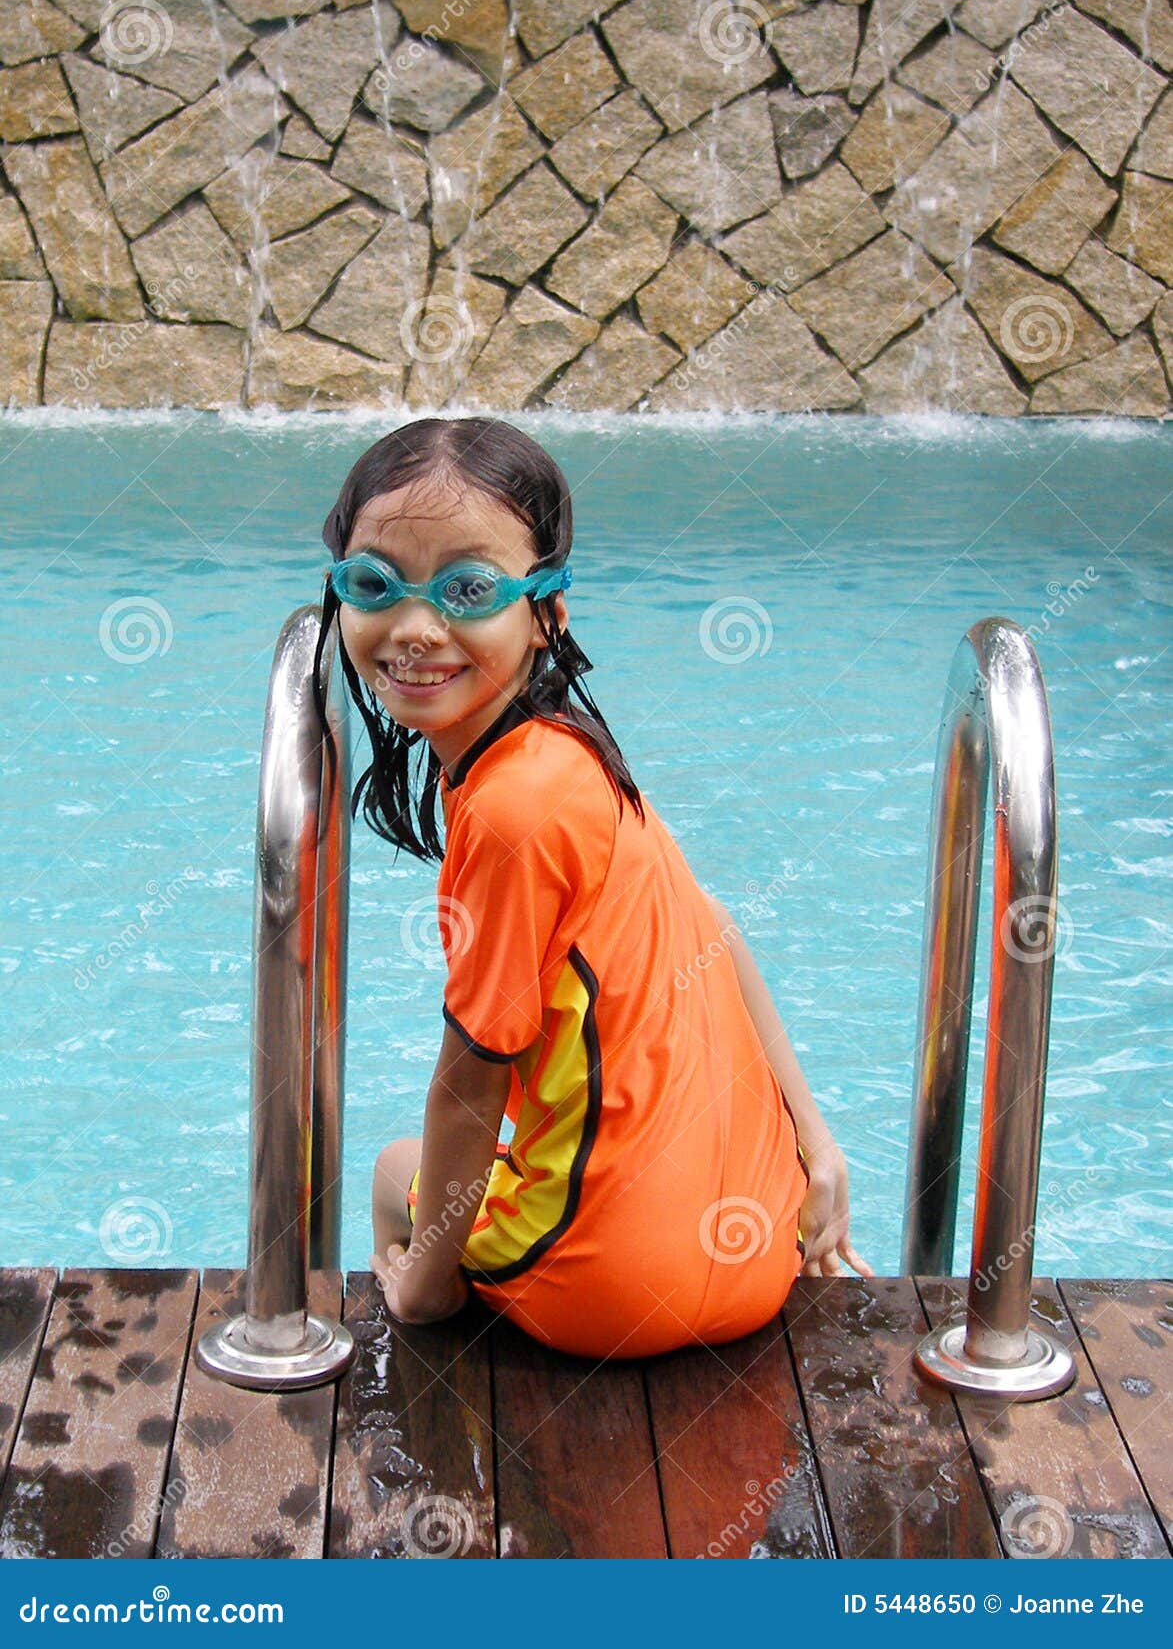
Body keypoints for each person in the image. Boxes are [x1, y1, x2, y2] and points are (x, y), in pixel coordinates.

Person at [313, 416, 872, 1361]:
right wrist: (816, 1145)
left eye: (467, 589)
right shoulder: (574, 755)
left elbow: (469, 1085)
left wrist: (426, 1286)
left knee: (389, 1176)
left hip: (614, 1288)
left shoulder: (509, 809)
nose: (413, 627)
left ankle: (428, 1356)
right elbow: (717, 930)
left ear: (547, 612)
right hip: (759, 1247)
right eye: (374, 584)